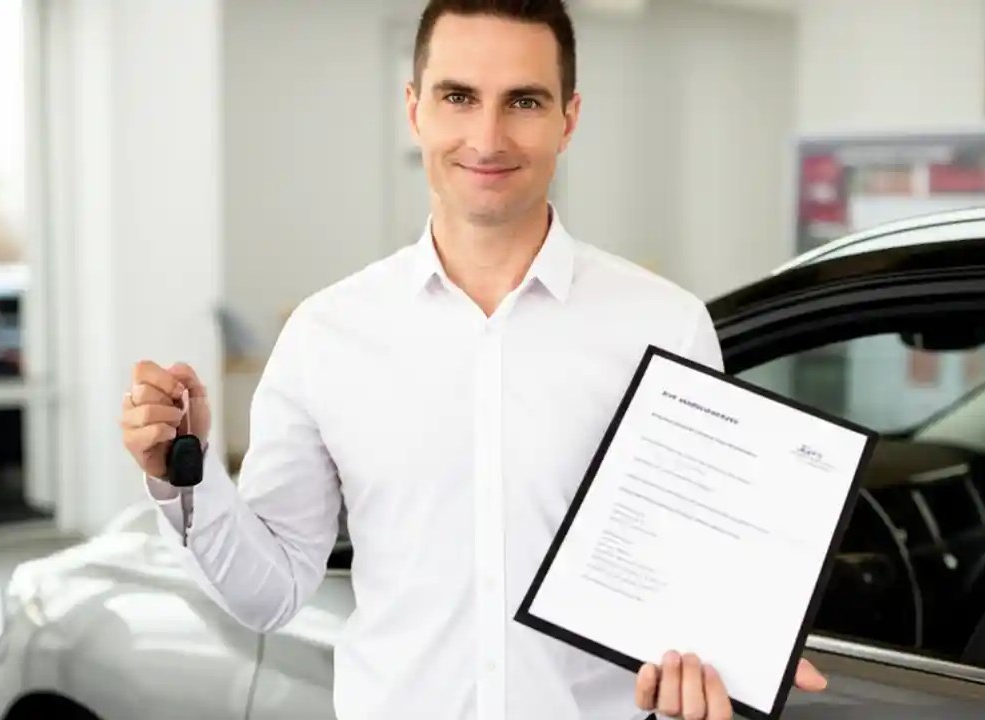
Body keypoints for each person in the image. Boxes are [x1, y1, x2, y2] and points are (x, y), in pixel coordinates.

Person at [119, 1, 827, 718]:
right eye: (459, 97)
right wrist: (189, 475)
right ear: (415, 109)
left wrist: (737, 647)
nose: (487, 138)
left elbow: (696, 583)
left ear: (569, 118)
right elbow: (269, 597)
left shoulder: (667, 325)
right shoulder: (326, 335)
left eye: (523, 101)